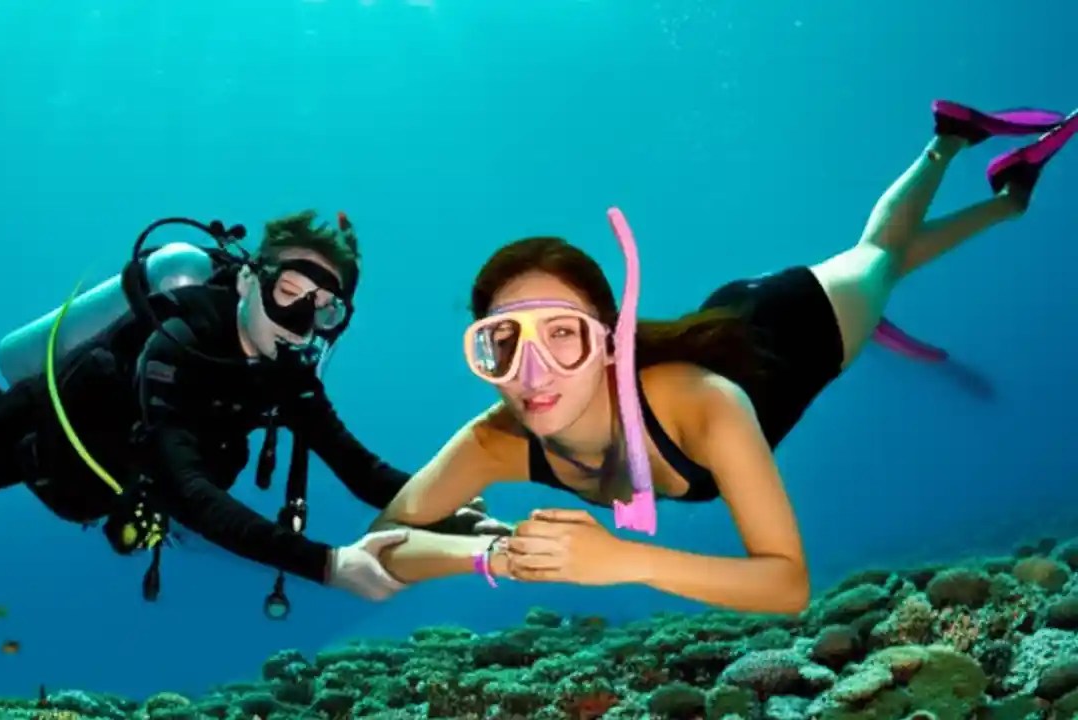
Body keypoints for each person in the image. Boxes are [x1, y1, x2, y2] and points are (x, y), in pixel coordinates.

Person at [365, 99, 1078, 614]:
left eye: (562, 333)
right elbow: (385, 544)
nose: (533, 372)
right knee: (886, 263)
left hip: (797, 329)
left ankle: (947, 142)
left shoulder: (701, 403)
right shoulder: (497, 438)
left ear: (609, 337)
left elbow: (788, 586)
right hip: (722, 322)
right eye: (502, 343)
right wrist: (491, 557)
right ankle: (1010, 199)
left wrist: (624, 563)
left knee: (881, 256)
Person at [0, 209, 505, 615]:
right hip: (52, 429)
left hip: (98, 477)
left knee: (67, 484)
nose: (304, 319)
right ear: (254, 277)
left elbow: (362, 470)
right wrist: (327, 563)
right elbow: (187, 490)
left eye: (327, 308)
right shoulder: (178, 339)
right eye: (293, 289)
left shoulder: (289, 378)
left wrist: (459, 511)